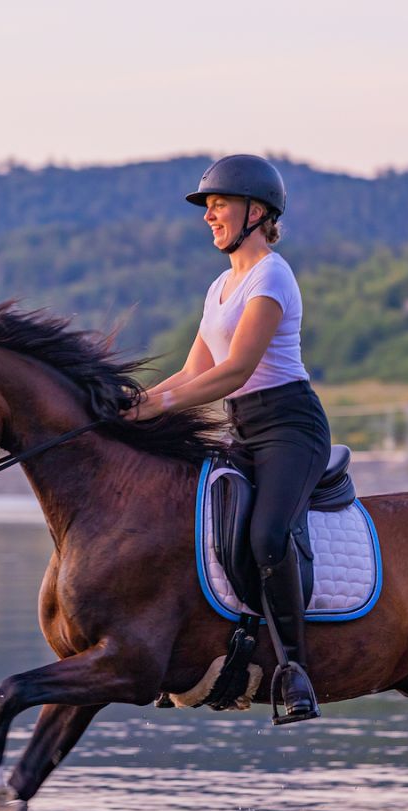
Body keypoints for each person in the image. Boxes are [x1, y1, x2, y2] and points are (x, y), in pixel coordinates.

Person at [124, 154, 331, 726]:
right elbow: (195, 371)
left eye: (218, 205)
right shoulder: (221, 285)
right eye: (207, 207)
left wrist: (157, 408)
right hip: (242, 428)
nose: (209, 215)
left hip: (291, 429)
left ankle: (294, 669)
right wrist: (133, 407)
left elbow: (236, 369)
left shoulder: (272, 275)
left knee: (268, 533)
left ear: (256, 212)